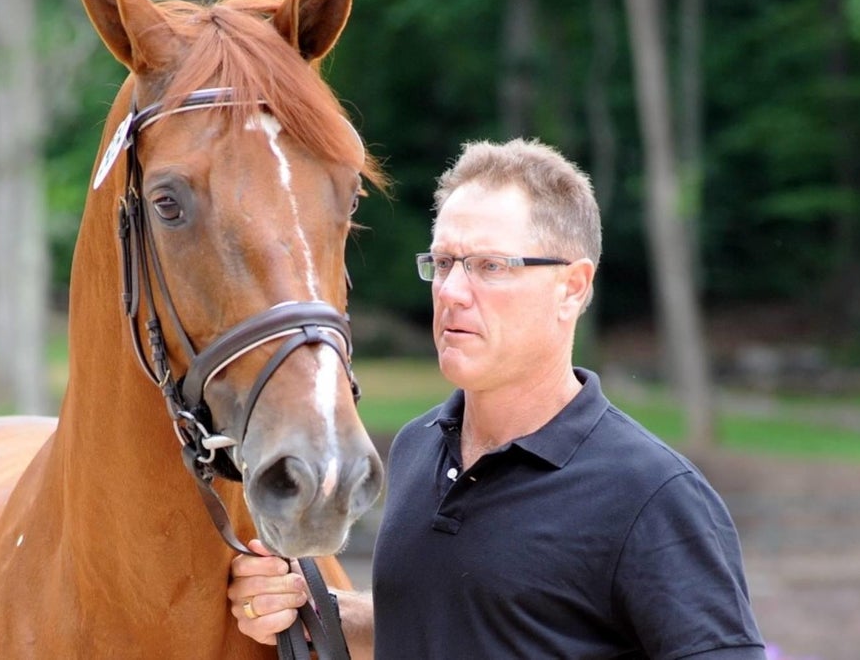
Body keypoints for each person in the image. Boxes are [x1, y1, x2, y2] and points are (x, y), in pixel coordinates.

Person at [227, 138, 766, 658]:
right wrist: (311, 608)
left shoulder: (652, 495)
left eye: (490, 266)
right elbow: (451, 628)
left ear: (573, 287)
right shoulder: (418, 447)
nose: (452, 292)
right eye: (442, 263)